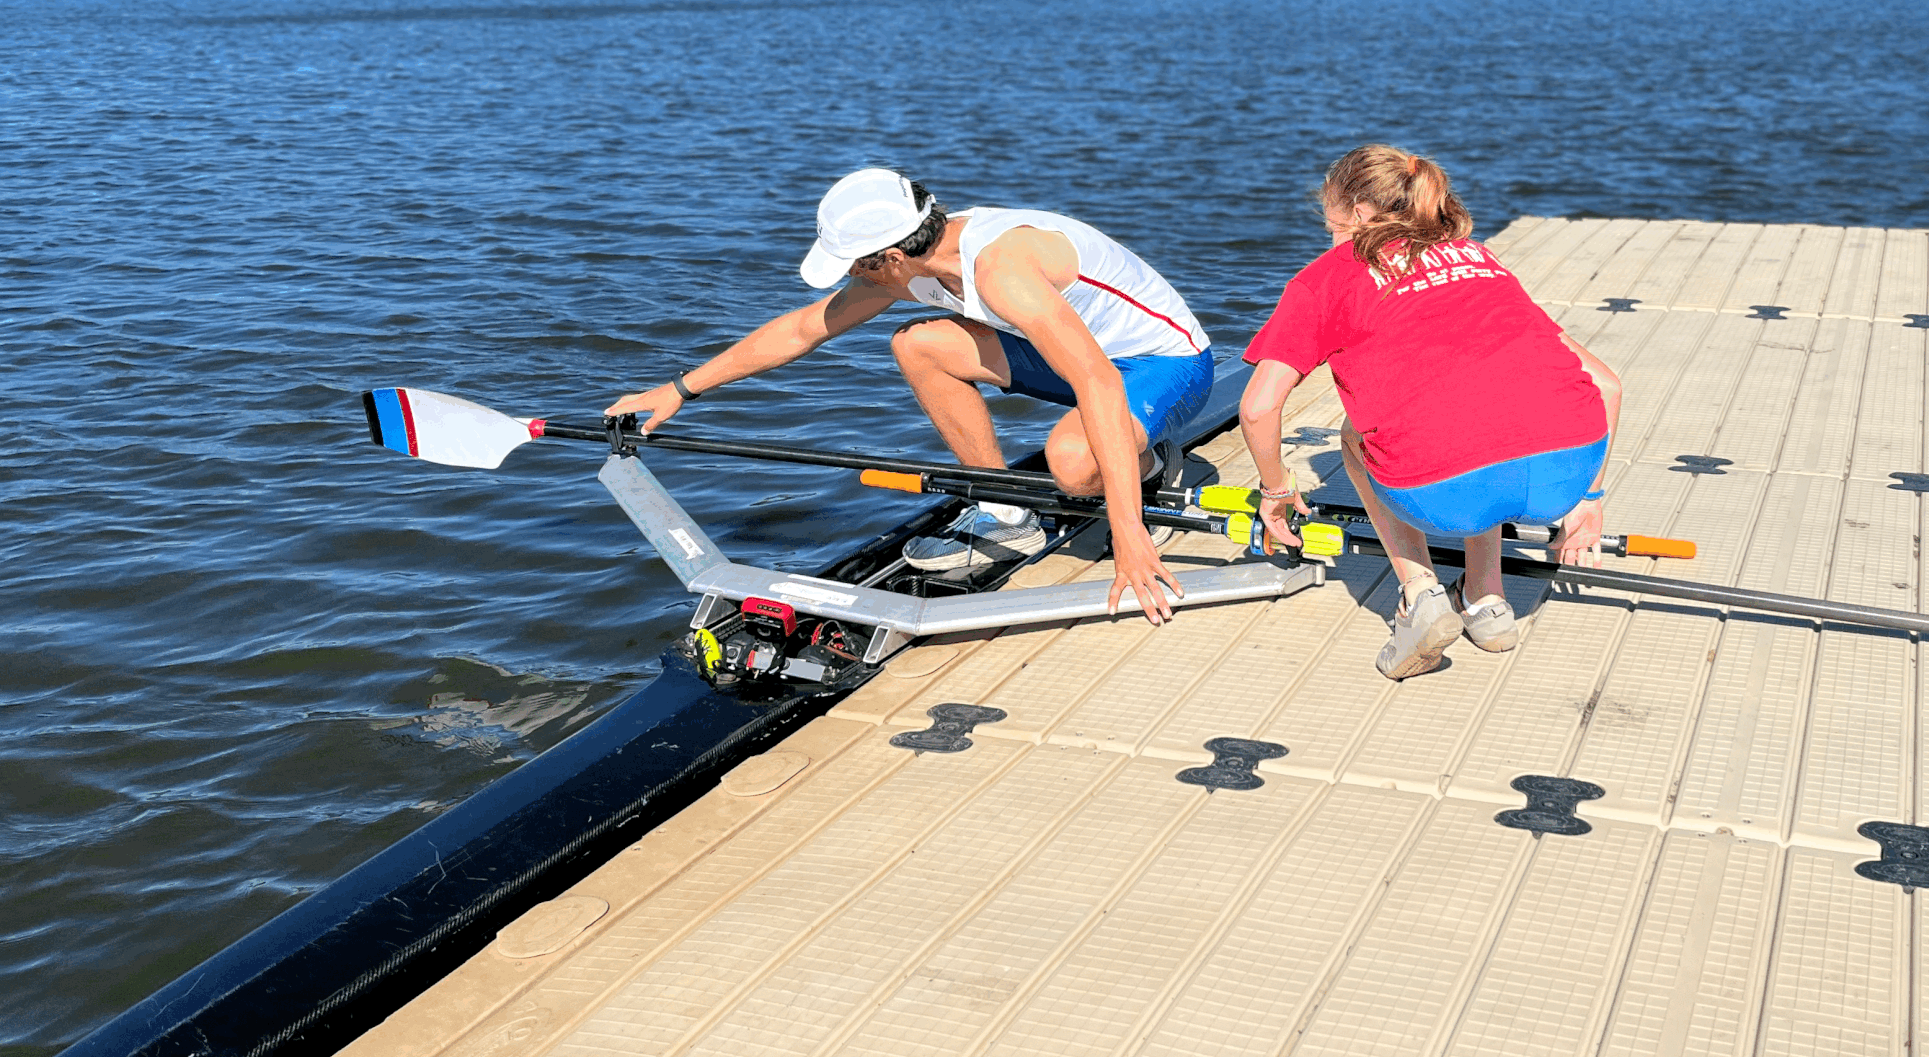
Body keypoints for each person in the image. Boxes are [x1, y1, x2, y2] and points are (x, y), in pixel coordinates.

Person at [608, 168, 1214, 622]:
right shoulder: (914, 265)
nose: (852, 279)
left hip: (1165, 362)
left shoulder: (1002, 268)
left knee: (1075, 467)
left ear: (892, 258)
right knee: (918, 344)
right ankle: (1006, 512)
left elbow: (1096, 381)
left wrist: (1128, 532)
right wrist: (681, 388)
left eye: (855, 267)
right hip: (1076, 355)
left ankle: (1151, 469)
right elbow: (802, 330)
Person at [1238, 146, 1621, 679]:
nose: (1330, 239)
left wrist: (1277, 491)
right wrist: (1589, 502)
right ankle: (1486, 599)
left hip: (1443, 492)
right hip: (1566, 478)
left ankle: (1419, 593)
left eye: (1332, 227)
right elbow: (1606, 384)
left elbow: (1258, 407)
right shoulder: (1477, 255)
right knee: (1480, 402)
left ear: (1360, 214)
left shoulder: (1325, 278)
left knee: (1357, 434)